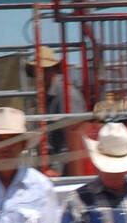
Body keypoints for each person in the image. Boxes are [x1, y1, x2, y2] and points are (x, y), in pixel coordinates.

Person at [25, 45, 87, 177]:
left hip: (66, 172)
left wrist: (56, 169)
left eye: (45, 70)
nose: (40, 74)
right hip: (52, 167)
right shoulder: (47, 95)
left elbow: (72, 138)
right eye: (37, 70)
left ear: (53, 70)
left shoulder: (67, 95)